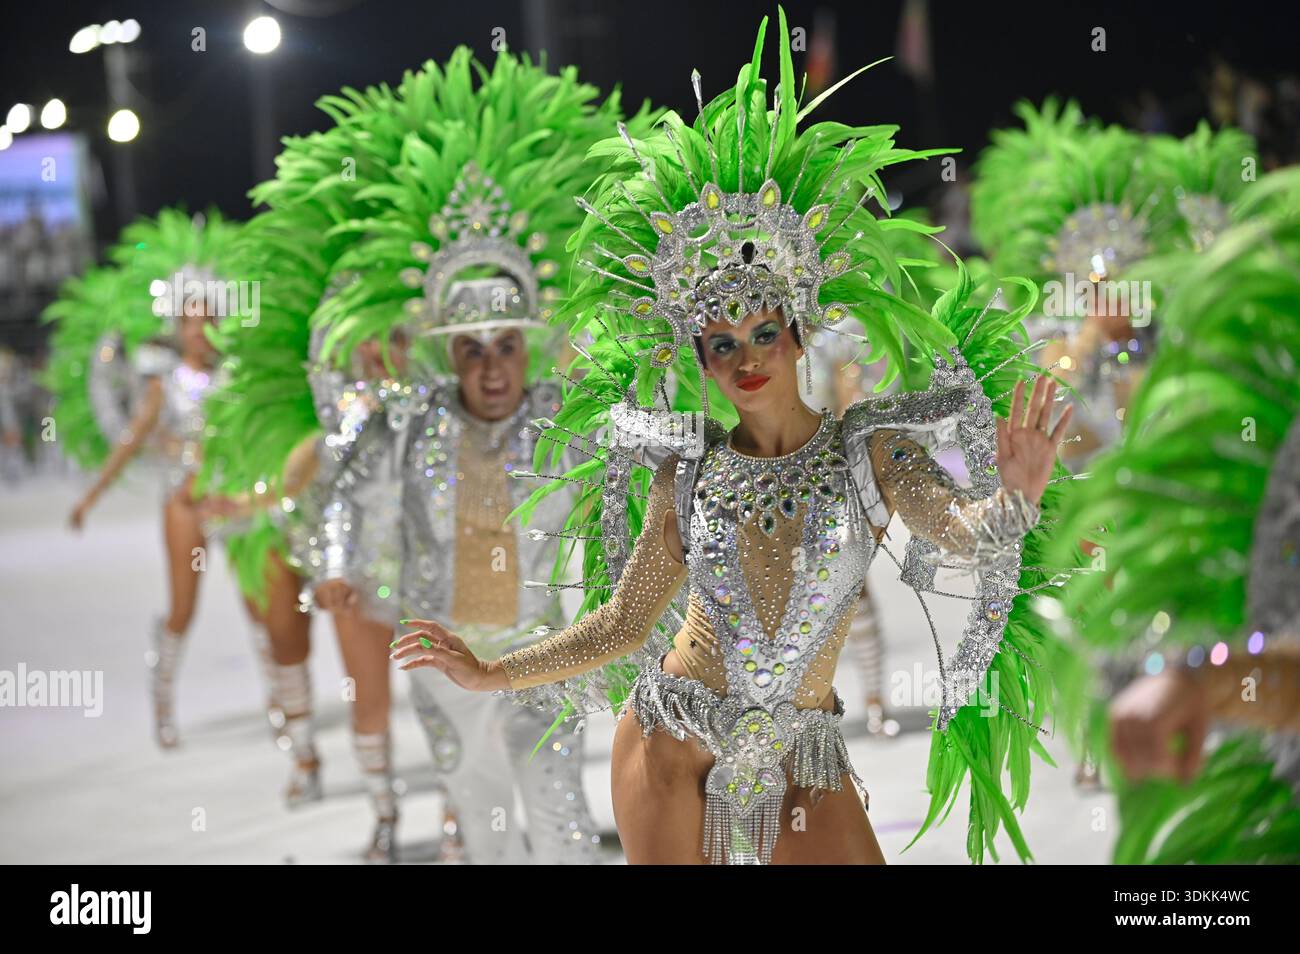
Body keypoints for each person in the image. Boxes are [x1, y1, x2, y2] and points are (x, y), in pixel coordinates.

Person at [392, 11, 1072, 864]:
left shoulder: (868, 450)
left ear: (797, 334)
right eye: (720, 341)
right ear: (700, 359)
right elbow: (624, 624)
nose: (745, 357)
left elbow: (961, 535)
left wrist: (1016, 497)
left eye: (762, 332)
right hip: (671, 738)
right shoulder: (688, 469)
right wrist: (492, 673)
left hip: (804, 753)